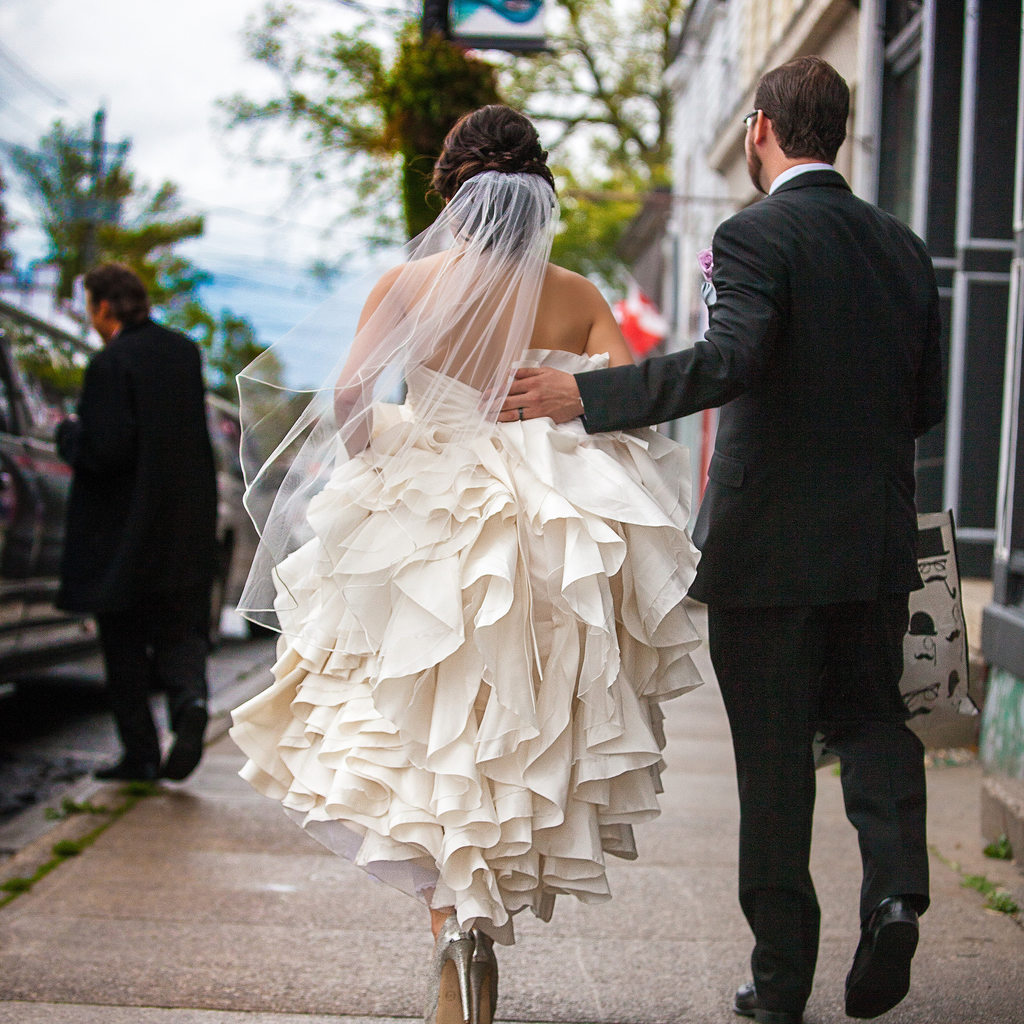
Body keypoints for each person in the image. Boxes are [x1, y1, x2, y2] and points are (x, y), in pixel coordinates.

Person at [229, 105, 702, 1024]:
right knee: (512, 727)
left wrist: (389, 449)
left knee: (425, 724)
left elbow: (353, 398)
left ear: (452, 193)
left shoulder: (409, 284)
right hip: (541, 521)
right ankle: (473, 920)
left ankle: (452, 919)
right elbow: (627, 403)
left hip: (432, 508)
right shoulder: (574, 292)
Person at [500, 58, 945, 1024]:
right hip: (874, 541)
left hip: (769, 548)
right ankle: (897, 892)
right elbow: (929, 406)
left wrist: (591, 395)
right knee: (874, 721)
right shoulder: (906, 250)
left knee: (777, 766)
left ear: (758, 131)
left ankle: (782, 985)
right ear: (840, 131)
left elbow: (730, 359)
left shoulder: (751, 234)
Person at [57, 262, 218, 783]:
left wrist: (67, 436)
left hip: (123, 529)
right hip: (183, 523)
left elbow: (104, 450)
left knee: (122, 637)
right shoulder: (183, 352)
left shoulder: (111, 363)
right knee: (179, 626)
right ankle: (189, 699)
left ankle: (141, 753)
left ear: (103, 306)